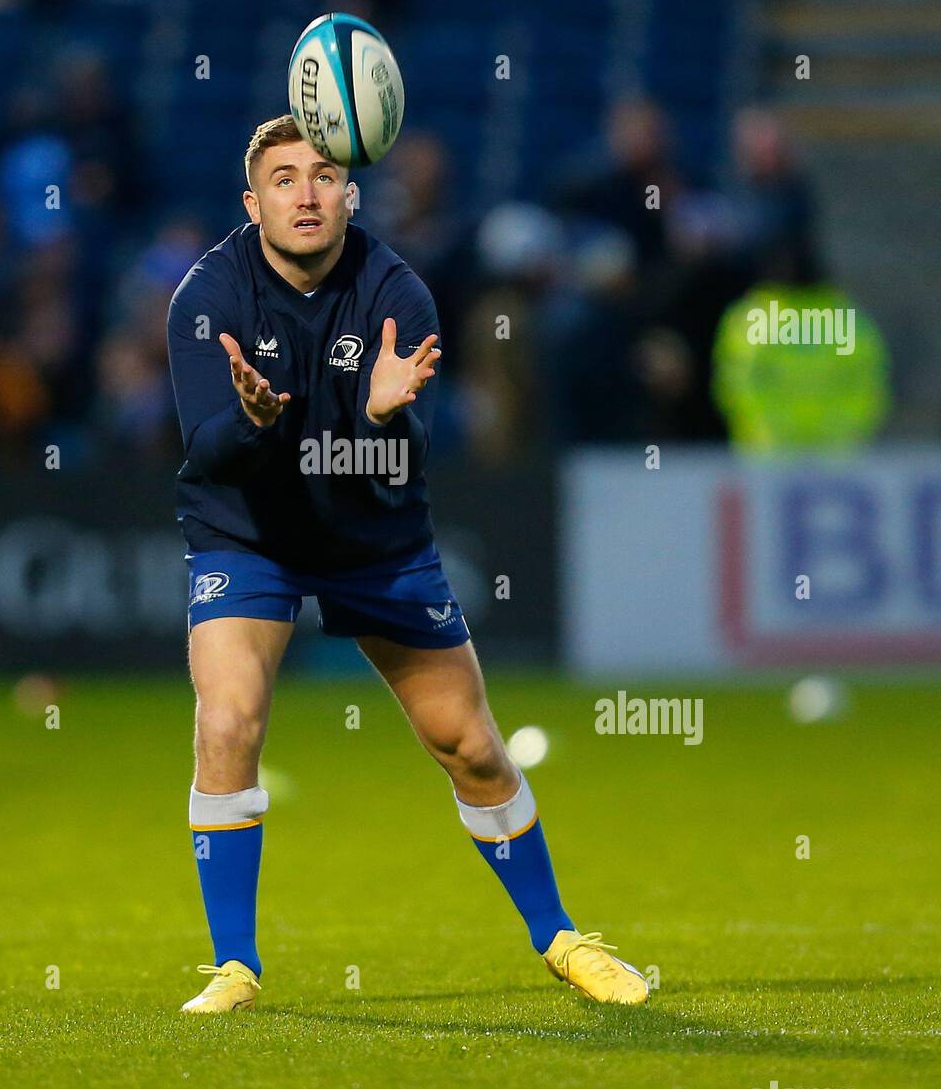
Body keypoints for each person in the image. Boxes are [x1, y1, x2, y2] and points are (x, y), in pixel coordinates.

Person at [165, 115, 649, 1011]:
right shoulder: (208, 294)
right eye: (283, 179)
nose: (305, 193)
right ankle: (235, 965)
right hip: (248, 534)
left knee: (467, 746)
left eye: (322, 176)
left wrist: (384, 418)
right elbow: (206, 449)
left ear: (349, 193)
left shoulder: (397, 291)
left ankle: (560, 940)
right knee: (227, 723)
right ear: (253, 200)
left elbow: (404, 463)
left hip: (371, 540)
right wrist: (254, 421)